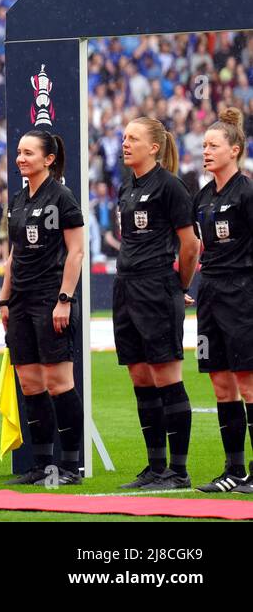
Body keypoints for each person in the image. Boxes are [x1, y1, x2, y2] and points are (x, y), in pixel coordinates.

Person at [114, 116, 200, 490]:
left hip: (157, 289)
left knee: (166, 377)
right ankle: (155, 467)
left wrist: (175, 284)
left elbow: (191, 245)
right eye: (123, 137)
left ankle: (178, 473)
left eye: (133, 138)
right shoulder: (126, 187)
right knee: (140, 377)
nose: (125, 143)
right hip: (127, 289)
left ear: (154, 147)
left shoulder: (170, 187)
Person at [0, 130, 86, 486]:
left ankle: (70, 466)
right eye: (19, 152)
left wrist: (65, 299)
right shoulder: (18, 200)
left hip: (51, 300)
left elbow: (76, 252)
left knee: (58, 383)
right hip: (20, 301)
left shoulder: (62, 197)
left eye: (29, 153)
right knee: (30, 384)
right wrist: (5, 298)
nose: (21, 158)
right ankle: (43, 464)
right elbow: (13, 255)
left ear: (48, 159)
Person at [190, 109, 253, 493]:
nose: (206, 151)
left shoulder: (246, 192)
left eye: (213, 146)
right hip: (211, 294)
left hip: (243, 294)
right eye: (204, 146)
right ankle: (234, 470)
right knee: (220, 385)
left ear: (235, 150)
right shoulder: (202, 196)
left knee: (248, 384)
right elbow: (201, 247)